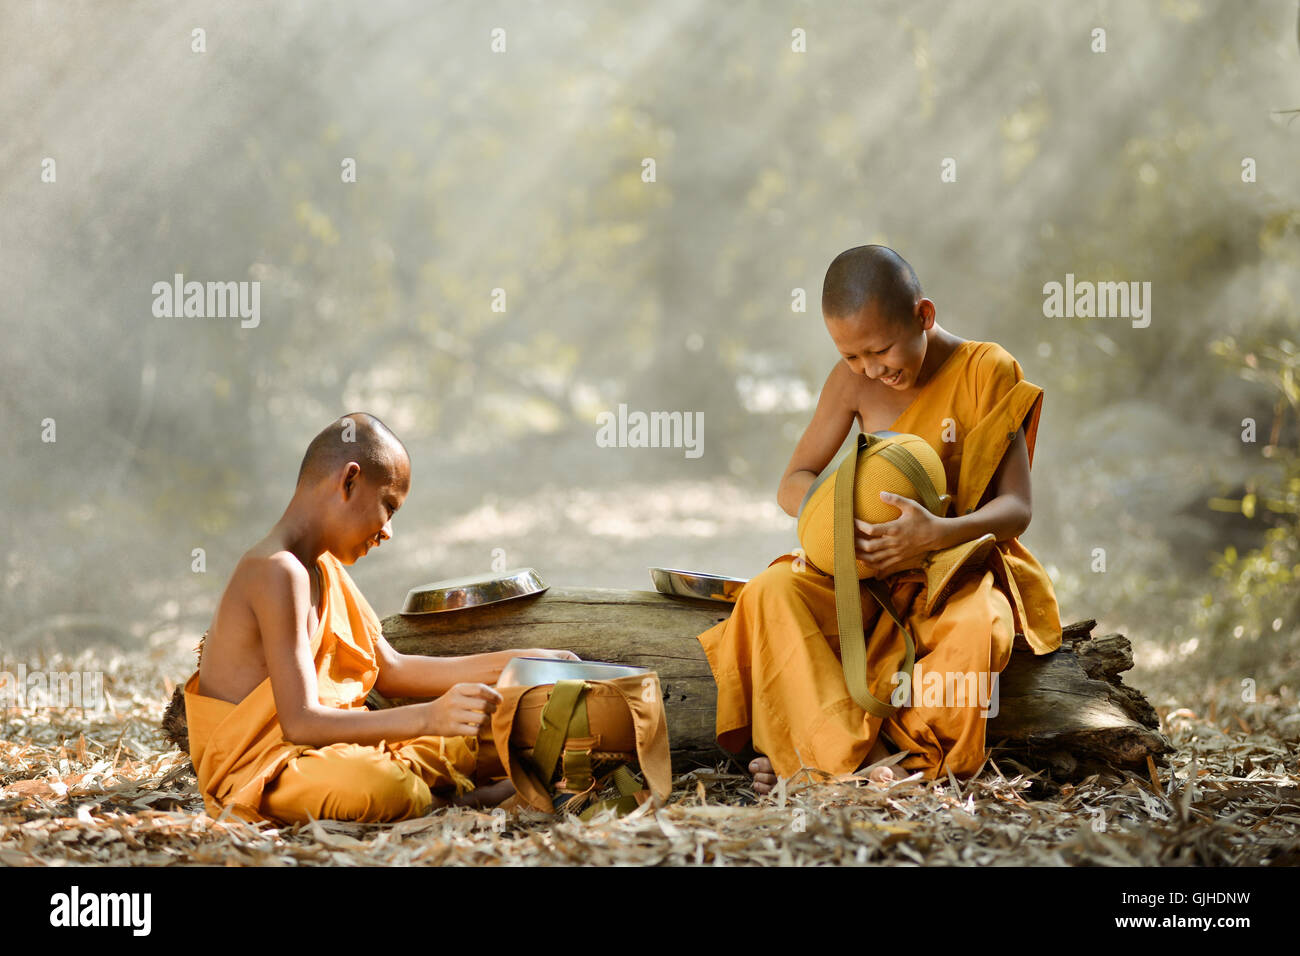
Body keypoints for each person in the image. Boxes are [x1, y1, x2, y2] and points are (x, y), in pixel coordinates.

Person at [696, 245, 1062, 795]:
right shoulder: (852, 383)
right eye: (851, 356)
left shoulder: (986, 370)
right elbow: (792, 482)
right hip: (864, 576)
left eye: (881, 350)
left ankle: (850, 762)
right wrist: (835, 517)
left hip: (951, 574)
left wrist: (936, 533)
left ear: (924, 316)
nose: (870, 368)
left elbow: (1016, 508)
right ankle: (856, 761)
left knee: (978, 627)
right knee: (770, 593)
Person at [182, 412, 577, 824]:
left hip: (339, 750)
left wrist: (522, 664)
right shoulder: (275, 570)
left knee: (496, 731)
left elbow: (393, 669)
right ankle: (462, 803)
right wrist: (428, 717)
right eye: (388, 506)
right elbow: (299, 723)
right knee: (379, 786)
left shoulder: (324, 568)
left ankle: (450, 789)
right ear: (349, 481)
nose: (388, 531)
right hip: (270, 770)